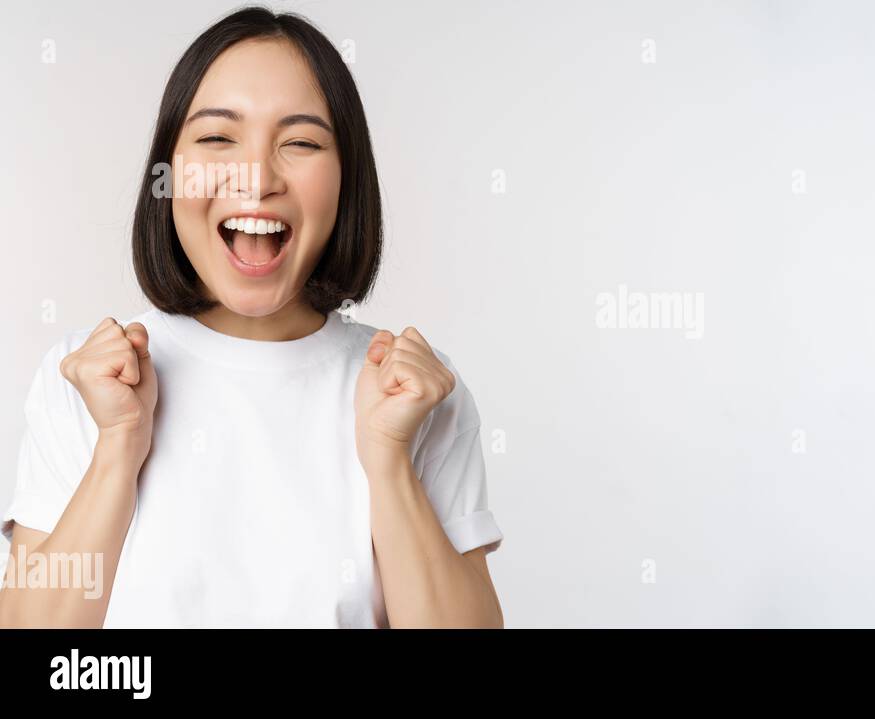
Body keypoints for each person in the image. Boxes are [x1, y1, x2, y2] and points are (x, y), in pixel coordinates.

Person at [0, 7, 504, 628]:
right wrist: (116, 451)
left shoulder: (418, 394)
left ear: (347, 181)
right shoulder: (81, 380)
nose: (257, 178)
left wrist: (390, 459)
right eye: (216, 138)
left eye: (301, 143)